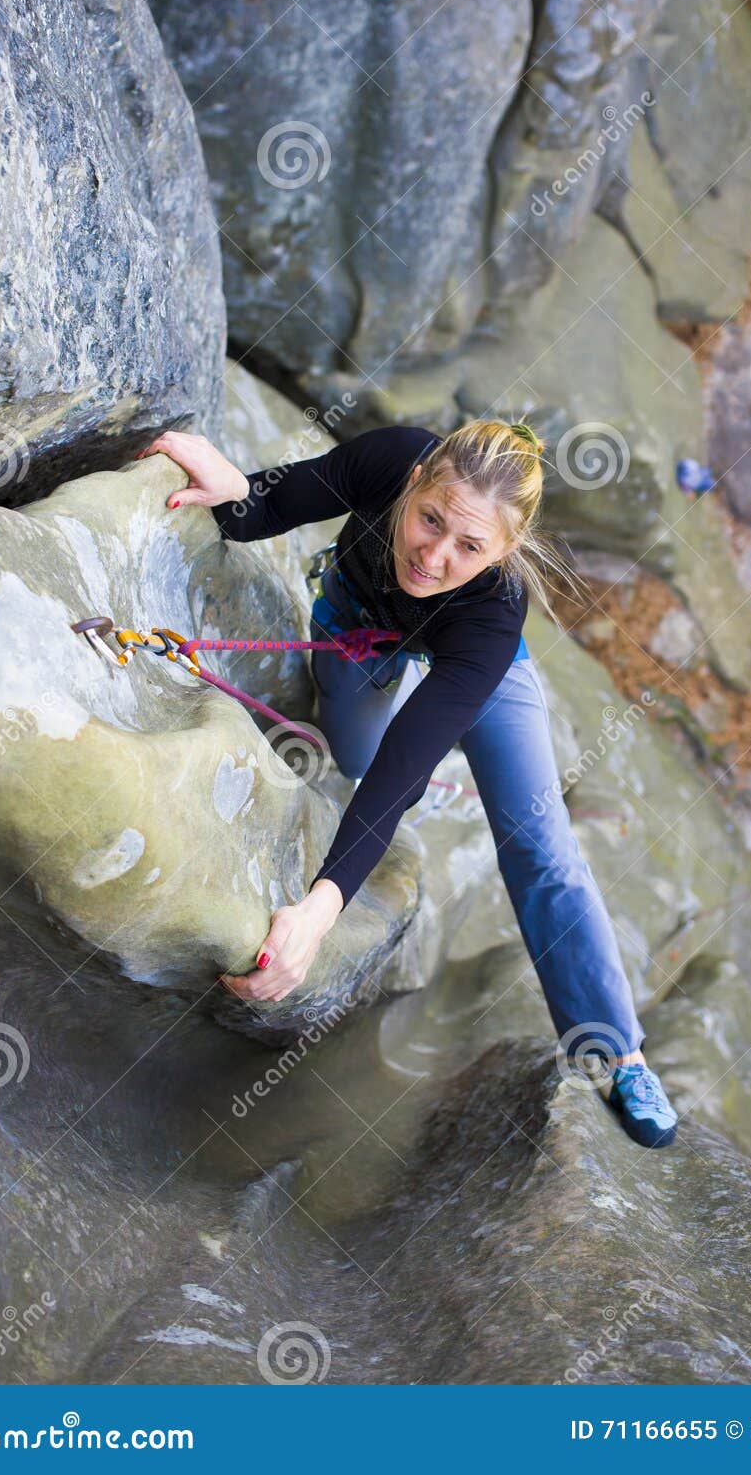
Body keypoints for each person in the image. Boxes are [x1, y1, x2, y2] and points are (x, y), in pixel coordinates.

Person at [139, 420, 678, 1149]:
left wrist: (318, 912)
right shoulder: (388, 458)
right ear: (415, 479)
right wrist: (233, 484)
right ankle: (399, 685)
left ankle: (617, 1049)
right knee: (354, 756)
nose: (433, 554)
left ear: (505, 552)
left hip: (471, 664)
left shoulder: (491, 614)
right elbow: (262, 509)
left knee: (538, 843)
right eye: (429, 520)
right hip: (357, 626)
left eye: (470, 546)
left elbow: (405, 769)